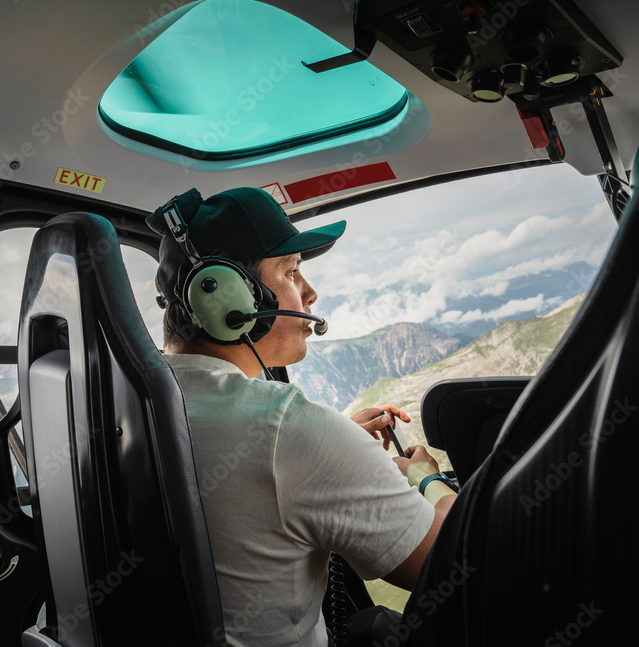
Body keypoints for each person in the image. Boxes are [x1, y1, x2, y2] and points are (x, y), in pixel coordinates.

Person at [145, 186, 456, 647]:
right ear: (225, 296)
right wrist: (427, 479)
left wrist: (340, 444)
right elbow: (451, 563)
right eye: (292, 271)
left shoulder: (133, 401)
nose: (310, 294)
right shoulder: (289, 429)